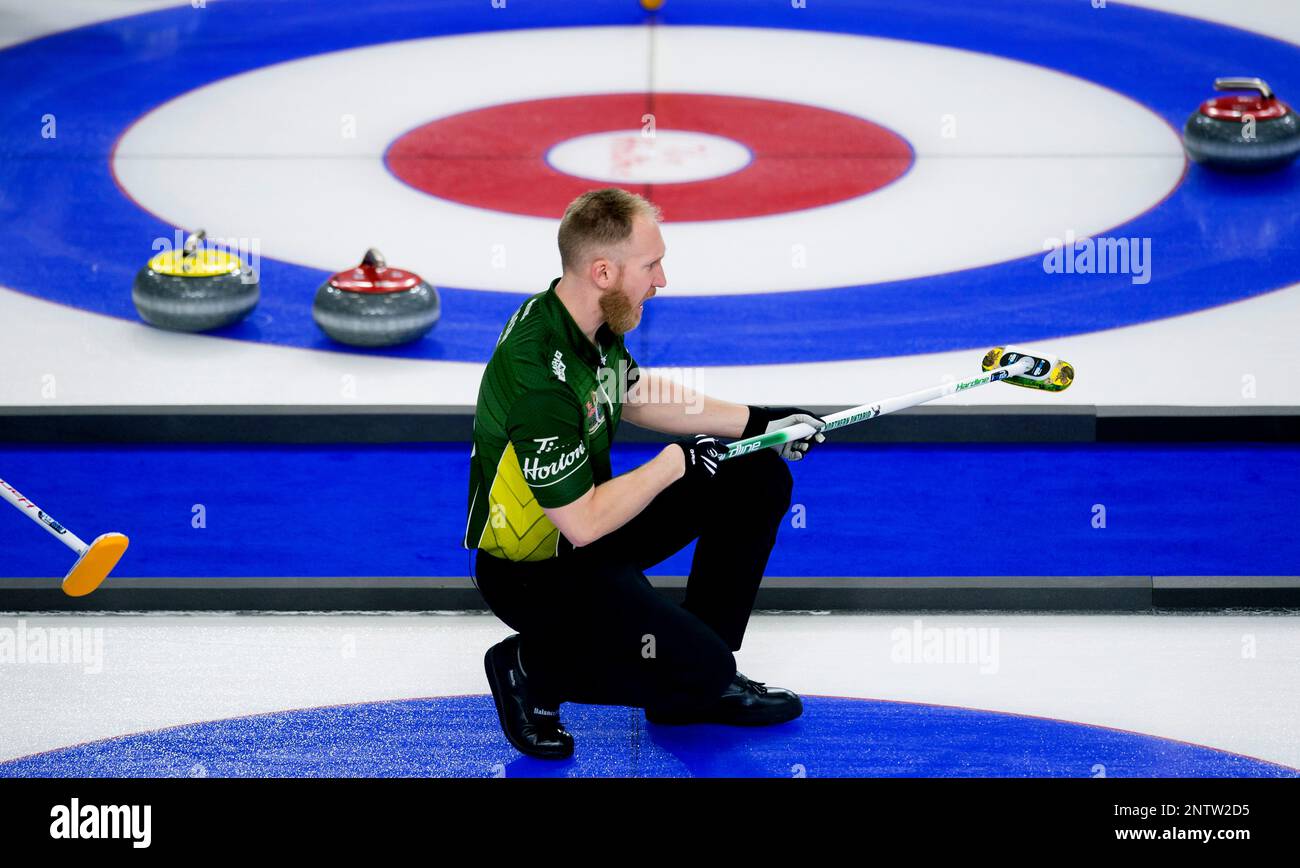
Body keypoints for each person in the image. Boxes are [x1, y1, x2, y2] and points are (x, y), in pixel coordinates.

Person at [465, 187, 826, 759]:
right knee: (701, 669)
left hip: (587, 534)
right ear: (604, 270)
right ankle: (531, 667)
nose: (662, 281)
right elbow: (581, 523)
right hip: (536, 570)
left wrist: (759, 422)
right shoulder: (538, 380)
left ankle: (694, 674)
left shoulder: (583, 315)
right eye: (652, 266)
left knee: (755, 472)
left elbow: (629, 391)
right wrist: (672, 464)